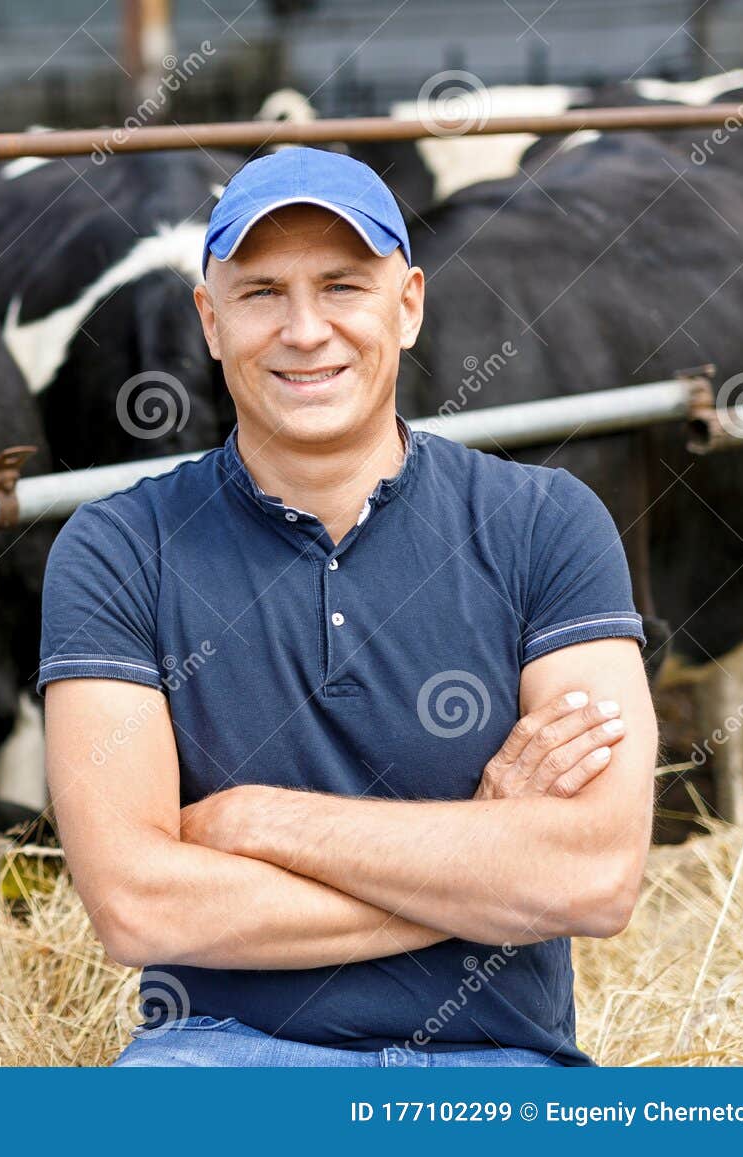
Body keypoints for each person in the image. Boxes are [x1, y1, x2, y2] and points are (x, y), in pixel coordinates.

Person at [38, 147, 656, 1067]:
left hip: (497, 1066)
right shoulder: (117, 548)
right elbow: (139, 905)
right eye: (260, 294)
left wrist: (253, 822)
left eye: (342, 286)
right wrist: (485, 860)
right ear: (209, 320)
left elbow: (594, 876)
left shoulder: (545, 523)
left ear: (406, 305)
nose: (304, 329)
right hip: (218, 1060)